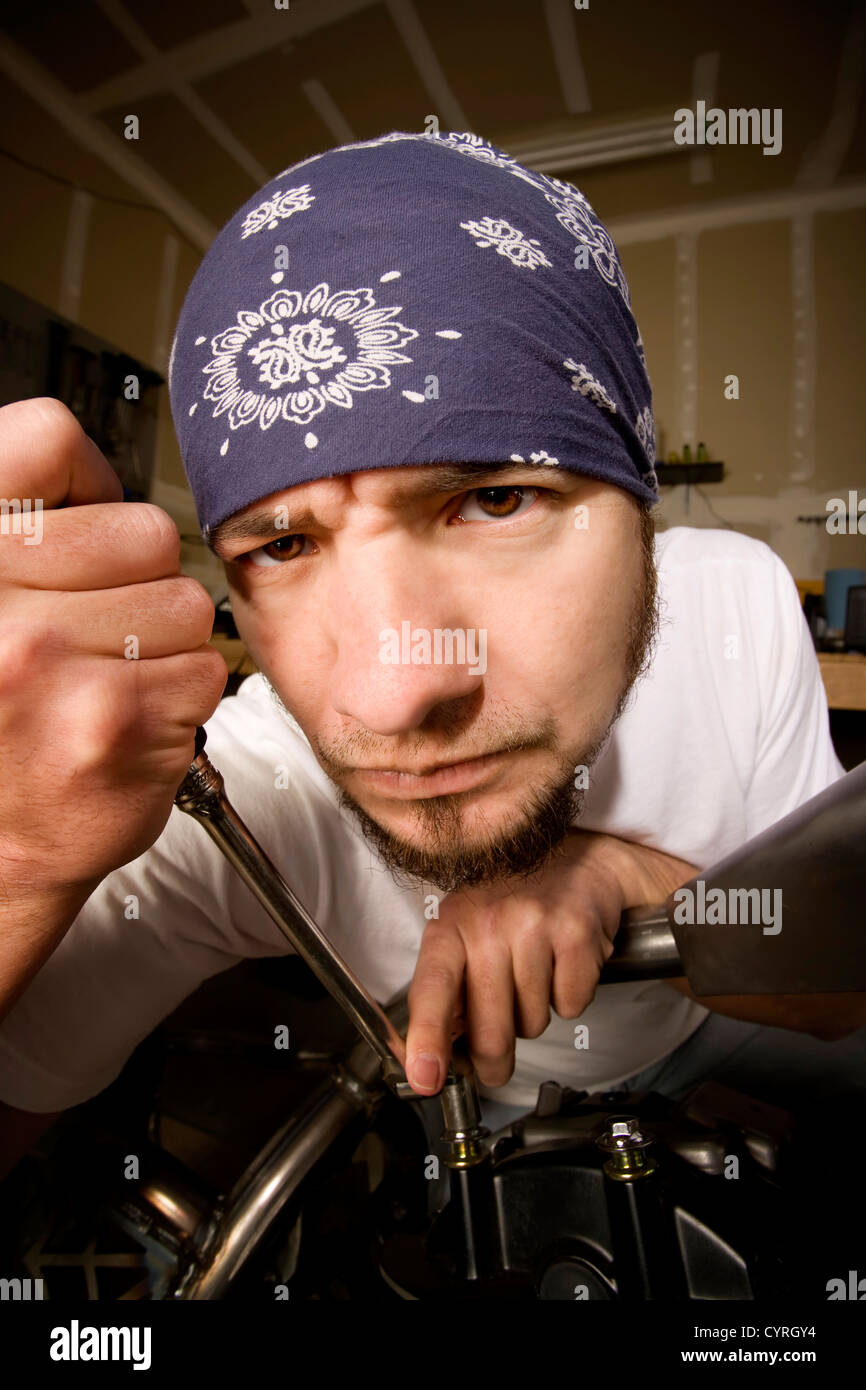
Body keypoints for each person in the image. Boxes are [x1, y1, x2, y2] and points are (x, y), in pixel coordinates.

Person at [0, 131, 863, 1177]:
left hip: (724, 1040)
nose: (391, 692)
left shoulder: (734, 600)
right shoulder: (247, 789)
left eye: (495, 500)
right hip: (473, 1115)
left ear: (639, 509)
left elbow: (834, 994)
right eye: (282, 546)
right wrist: (16, 868)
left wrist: (631, 877)